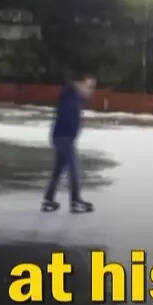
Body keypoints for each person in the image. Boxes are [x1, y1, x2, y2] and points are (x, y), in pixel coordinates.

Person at [42, 74, 96, 213]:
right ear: (80, 85)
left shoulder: (76, 99)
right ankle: (75, 201)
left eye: (92, 87)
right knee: (74, 170)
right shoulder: (71, 96)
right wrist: (75, 87)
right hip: (63, 138)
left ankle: (49, 200)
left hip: (63, 138)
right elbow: (66, 95)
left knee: (58, 171)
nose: (90, 90)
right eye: (88, 86)